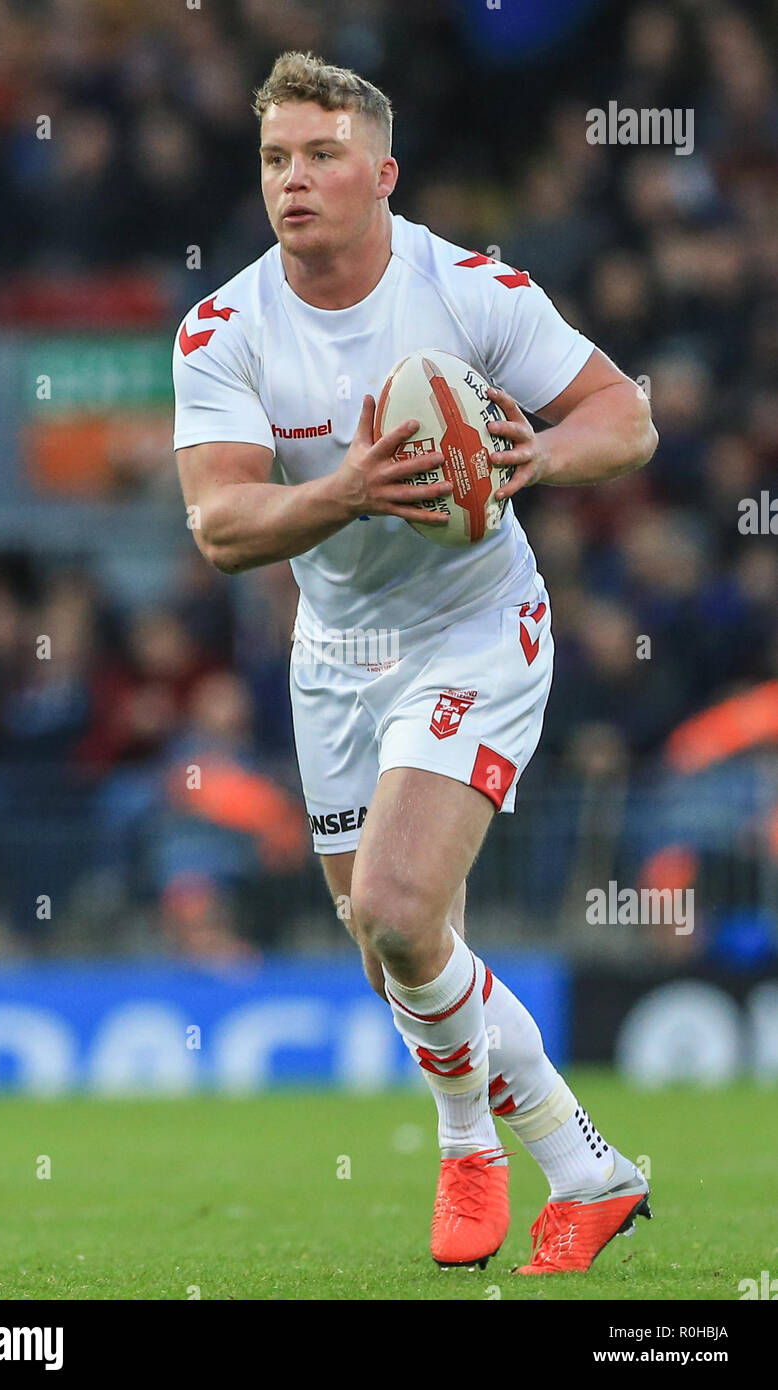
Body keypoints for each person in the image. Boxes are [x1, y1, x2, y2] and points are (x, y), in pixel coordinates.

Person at [172, 51, 658, 1274]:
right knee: (393, 939)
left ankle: (466, 1143)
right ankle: (590, 1172)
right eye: (276, 157)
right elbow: (219, 527)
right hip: (333, 655)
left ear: (381, 173)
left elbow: (626, 417)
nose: (294, 179)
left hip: (475, 627)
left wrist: (532, 458)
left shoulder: (467, 289)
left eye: (321, 155)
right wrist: (345, 487)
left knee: (396, 912)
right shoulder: (223, 326)